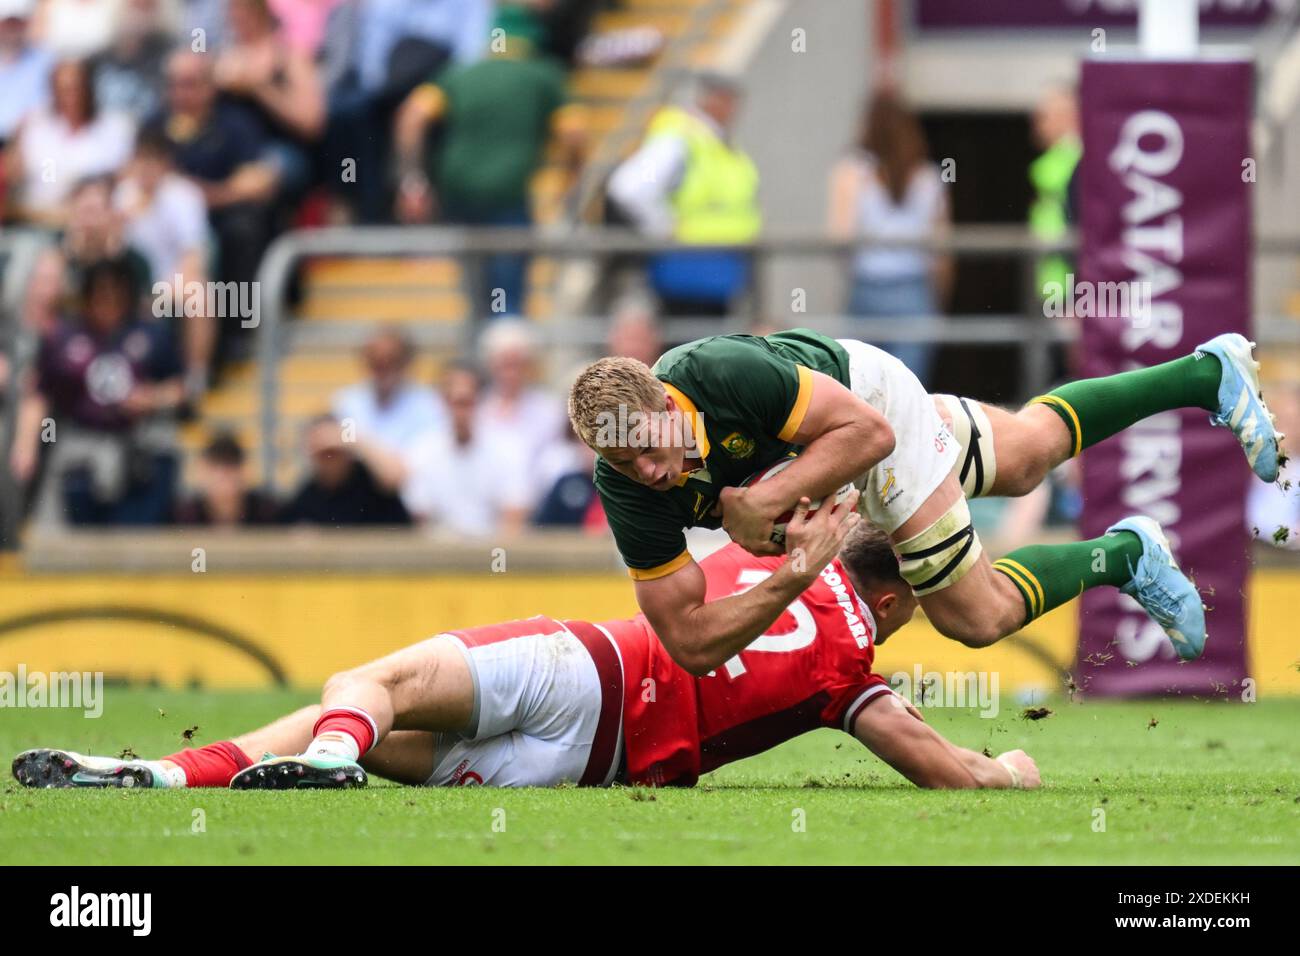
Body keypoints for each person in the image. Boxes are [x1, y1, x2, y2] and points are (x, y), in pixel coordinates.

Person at [13, 525, 1041, 792]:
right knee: (371, 732)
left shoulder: (771, 544)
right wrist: (1006, 768)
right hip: (582, 766)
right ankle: (163, 773)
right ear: (897, 596)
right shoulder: (853, 677)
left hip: (589, 664)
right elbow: (939, 763)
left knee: (363, 688)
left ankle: (278, 757)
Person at [566, 327, 1284, 676]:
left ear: (663, 399)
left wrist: (768, 499)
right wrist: (791, 576)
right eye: (625, 462)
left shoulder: (720, 375)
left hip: (867, 406)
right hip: (838, 446)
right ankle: (1204, 372)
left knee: (976, 619)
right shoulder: (627, 481)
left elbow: (868, 432)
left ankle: (1124, 555)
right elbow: (687, 643)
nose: (650, 472)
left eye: (653, 448)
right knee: (1030, 453)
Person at [392, 12, 583, 315]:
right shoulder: (544, 75)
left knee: (474, 290)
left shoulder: (459, 73)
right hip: (509, 198)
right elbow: (574, 134)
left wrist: (412, 181)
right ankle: (503, 348)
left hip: (457, 195)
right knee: (508, 293)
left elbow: (411, 117)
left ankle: (479, 346)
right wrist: (571, 179)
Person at [10, 256, 184, 525]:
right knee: (56, 525)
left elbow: (180, 387)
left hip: (137, 444)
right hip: (77, 444)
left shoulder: (152, 335)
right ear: (87, 295)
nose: (109, 300)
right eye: (101, 292)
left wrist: (152, 398)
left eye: (116, 291)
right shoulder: (63, 337)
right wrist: (25, 446)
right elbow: (40, 392)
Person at [607, 71, 760, 317]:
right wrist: (664, 227)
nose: (735, 109)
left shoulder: (712, 141)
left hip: (717, 270)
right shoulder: (678, 138)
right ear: (714, 100)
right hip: (686, 270)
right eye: (730, 100)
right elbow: (628, 188)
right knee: (689, 345)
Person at [828, 91, 951, 388]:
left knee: (861, 392)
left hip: (866, 288)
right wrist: (938, 300)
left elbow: (839, 238)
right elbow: (943, 253)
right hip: (914, 291)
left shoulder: (851, 172)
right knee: (910, 394)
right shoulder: (929, 177)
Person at [114, 124, 213, 394]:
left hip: (171, 285)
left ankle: (195, 378)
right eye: (141, 159)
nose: (146, 167)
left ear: (166, 162)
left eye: (153, 160)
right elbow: (113, 250)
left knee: (199, 294)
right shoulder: (122, 195)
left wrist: (159, 294)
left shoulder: (184, 195)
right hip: (127, 284)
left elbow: (194, 257)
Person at [400, 362, 531, 538]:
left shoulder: (509, 448)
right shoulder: (420, 450)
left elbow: (514, 517)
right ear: (442, 401)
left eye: (466, 402)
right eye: (454, 402)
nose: (460, 412)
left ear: (480, 400)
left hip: (493, 555)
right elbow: (420, 518)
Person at [8, 58, 135, 224]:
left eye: (75, 88)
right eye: (62, 89)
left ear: (88, 88)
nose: (70, 96)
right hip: (43, 217)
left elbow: (122, 178)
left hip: (97, 219)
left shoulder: (115, 127)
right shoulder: (36, 127)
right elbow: (44, 176)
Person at [331, 326, 445, 455]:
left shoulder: (429, 403)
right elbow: (348, 445)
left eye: (392, 361)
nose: (384, 369)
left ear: (406, 362)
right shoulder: (347, 403)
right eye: (377, 362)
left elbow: (427, 454)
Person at [280, 415, 411, 526]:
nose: (329, 459)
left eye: (334, 452)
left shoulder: (370, 478)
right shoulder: (308, 495)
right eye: (322, 453)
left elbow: (396, 478)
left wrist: (352, 440)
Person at [173, 431, 279, 526]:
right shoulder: (183, 518)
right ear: (201, 471)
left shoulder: (268, 515)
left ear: (245, 471)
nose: (223, 475)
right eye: (215, 466)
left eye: (231, 466)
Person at [0, 0, 53, 148]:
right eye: (8, 22)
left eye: (18, 22)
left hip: (28, 145)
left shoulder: (46, 59)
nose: (13, 29)